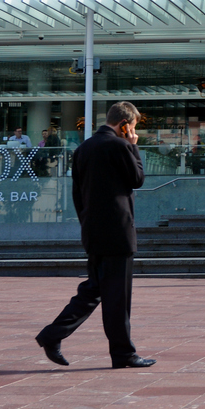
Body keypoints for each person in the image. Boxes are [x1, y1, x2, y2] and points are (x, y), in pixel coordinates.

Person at [35, 102, 154, 369]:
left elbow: (77, 194)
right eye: (133, 127)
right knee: (118, 297)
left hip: (93, 230)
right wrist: (134, 146)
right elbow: (137, 179)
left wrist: (87, 222)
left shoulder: (83, 149)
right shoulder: (121, 145)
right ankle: (123, 354)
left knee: (94, 289)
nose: (133, 133)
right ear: (125, 124)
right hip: (117, 232)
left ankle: (52, 335)